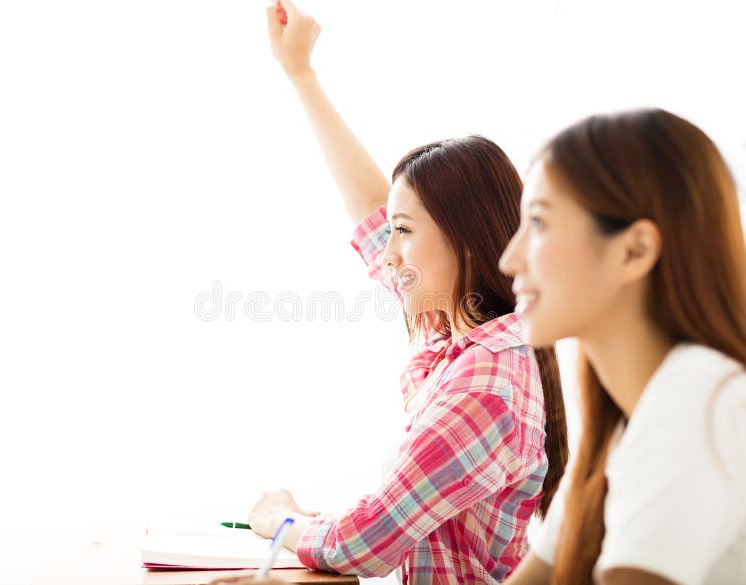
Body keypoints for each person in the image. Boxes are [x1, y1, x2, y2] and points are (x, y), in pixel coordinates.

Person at [241, 2, 569, 583]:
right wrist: (301, 74)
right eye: (393, 233)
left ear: (466, 241)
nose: (388, 254)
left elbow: (362, 546)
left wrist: (282, 520)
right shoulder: (460, 333)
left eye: (406, 233)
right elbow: (373, 213)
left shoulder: (485, 384)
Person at [499, 109, 746, 585]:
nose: (510, 258)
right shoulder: (617, 434)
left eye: (540, 222)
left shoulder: (699, 395)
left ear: (634, 251)